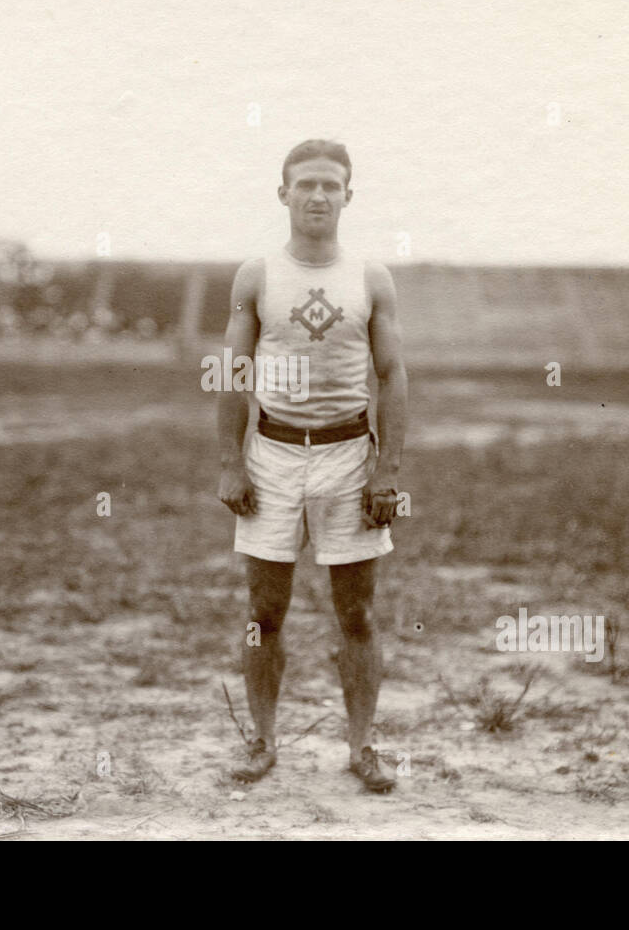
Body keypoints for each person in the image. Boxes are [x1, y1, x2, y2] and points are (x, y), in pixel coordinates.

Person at [216, 139, 408, 792]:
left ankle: (363, 746)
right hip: (271, 457)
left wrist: (387, 472)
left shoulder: (370, 277)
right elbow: (234, 372)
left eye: (331, 185)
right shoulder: (258, 275)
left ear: (348, 195)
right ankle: (262, 740)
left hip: (349, 457)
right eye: (306, 185)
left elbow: (392, 373)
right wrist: (230, 462)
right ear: (284, 193)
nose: (318, 196)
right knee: (264, 609)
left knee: (356, 613)